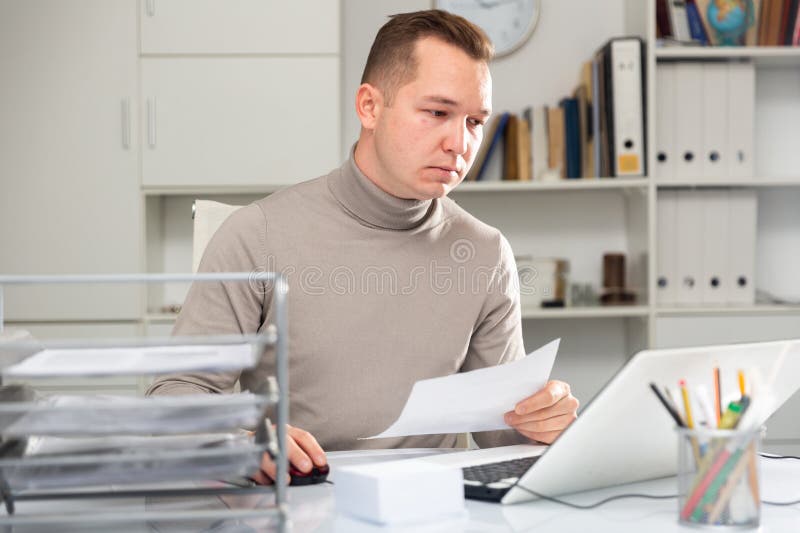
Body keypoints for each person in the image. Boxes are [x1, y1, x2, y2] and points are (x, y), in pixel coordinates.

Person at [147, 9, 579, 485]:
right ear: (370, 107)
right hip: (301, 497)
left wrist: (540, 419)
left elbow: (499, 431)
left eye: (475, 121)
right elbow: (174, 392)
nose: (460, 142)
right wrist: (241, 435)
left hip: (433, 509)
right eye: (437, 112)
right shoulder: (258, 233)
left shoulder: (485, 252)